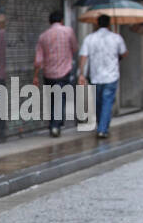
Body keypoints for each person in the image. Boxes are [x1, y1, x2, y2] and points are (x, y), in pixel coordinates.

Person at [78, 13, 127, 139]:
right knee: (107, 102)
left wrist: (81, 74)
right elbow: (124, 53)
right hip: (111, 76)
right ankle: (102, 128)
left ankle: (102, 126)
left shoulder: (89, 38)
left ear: (97, 23)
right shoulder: (116, 38)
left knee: (99, 102)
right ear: (109, 24)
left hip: (95, 76)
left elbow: (83, 56)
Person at [32, 9, 78, 137]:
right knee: (60, 98)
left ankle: (54, 123)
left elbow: (38, 59)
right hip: (64, 72)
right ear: (62, 20)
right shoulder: (68, 32)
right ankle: (55, 125)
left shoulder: (43, 36)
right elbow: (75, 48)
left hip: (48, 73)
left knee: (52, 98)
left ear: (49, 21)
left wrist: (35, 76)